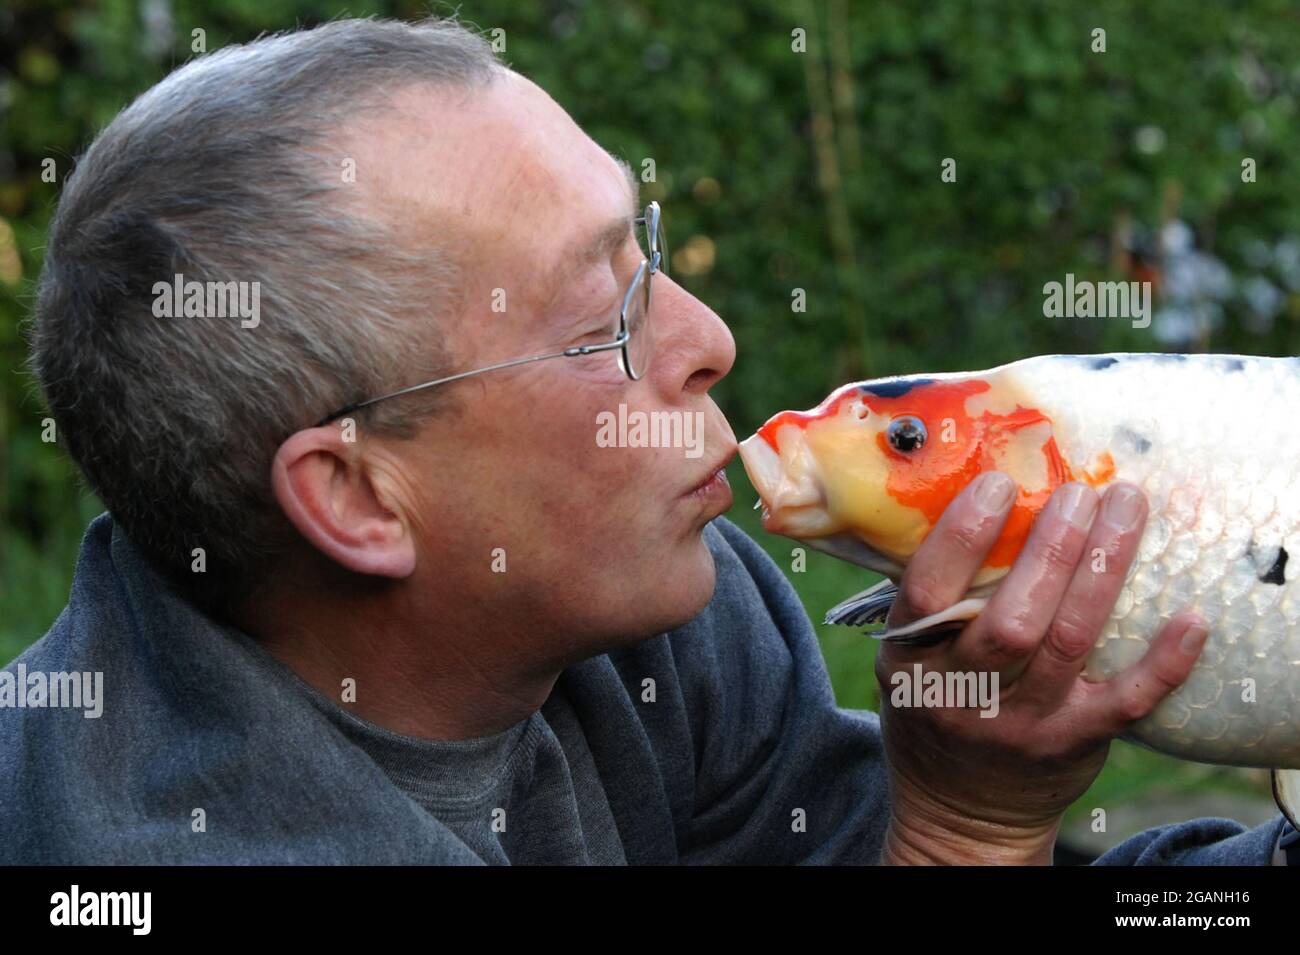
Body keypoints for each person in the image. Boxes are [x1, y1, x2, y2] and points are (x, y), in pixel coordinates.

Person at [1, 16, 1287, 864]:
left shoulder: (648, 612)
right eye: (597, 322)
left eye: (646, 251)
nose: (709, 338)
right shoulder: (171, 849)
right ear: (356, 497)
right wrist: (963, 832)